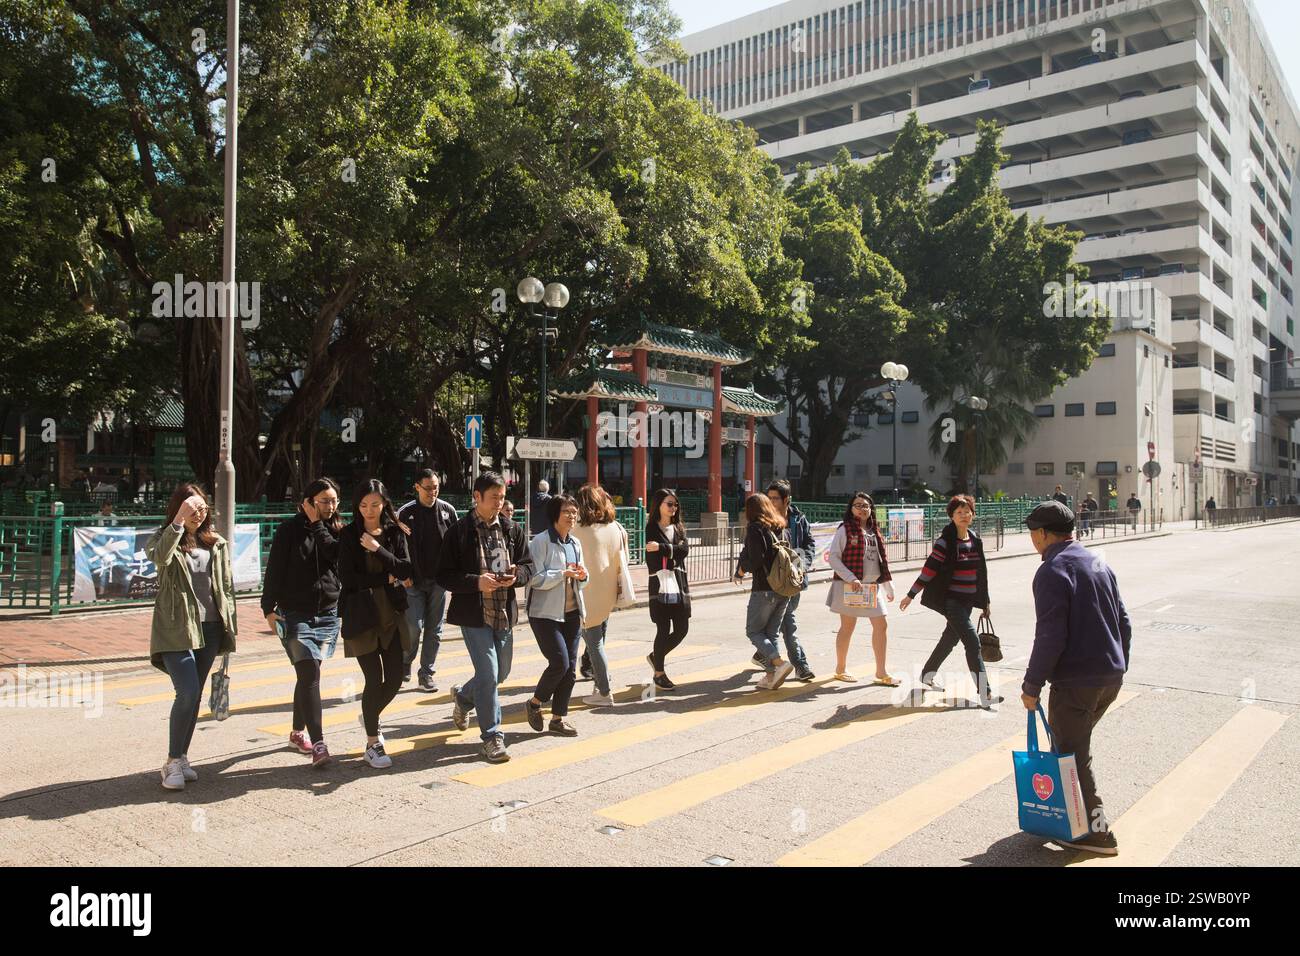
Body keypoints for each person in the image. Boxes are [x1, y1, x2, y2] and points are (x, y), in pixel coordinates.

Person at [1021, 501, 1131, 855]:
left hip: (1076, 682)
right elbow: (1124, 621)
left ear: (1041, 534)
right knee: (1071, 749)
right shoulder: (1098, 562)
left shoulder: (1051, 570)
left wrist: (1031, 685)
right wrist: (1117, 663)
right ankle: (1073, 818)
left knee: (1071, 755)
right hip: (1109, 678)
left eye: (1032, 533)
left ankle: (1097, 833)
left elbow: (1051, 635)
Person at [437, 471, 534, 763]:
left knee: (499, 673)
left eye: (502, 497)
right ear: (476, 497)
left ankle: (464, 697)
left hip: (504, 611)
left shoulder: (512, 529)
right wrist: (475, 582)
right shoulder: (459, 531)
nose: (499, 503)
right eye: (494, 498)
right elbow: (443, 575)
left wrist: (517, 576)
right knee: (489, 674)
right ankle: (492, 737)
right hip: (474, 615)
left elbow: (529, 566)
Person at [147, 483, 238, 791]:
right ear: (178, 510)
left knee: (196, 694)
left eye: (201, 509)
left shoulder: (216, 543)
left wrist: (230, 626)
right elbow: (159, 558)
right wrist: (177, 523)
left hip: (211, 627)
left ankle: (183, 756)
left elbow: (225, 587)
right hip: (176, 627)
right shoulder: (164, 538)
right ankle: (171, 761)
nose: (197, 515)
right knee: (185, 691)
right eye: (189, 509)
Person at [262, 477, 343, 768]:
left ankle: (297, 733)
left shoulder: (335, 529)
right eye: (324, 501)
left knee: (308, 674)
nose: (331, 506)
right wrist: (267, 609)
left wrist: (320, 525)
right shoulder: (288, 531)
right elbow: (274, 571)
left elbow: (337, 558)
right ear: (307, 503)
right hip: (295, 613)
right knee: (310, 674)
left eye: (334, 501)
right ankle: (319, 743)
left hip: (328, 614)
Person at [899, 495, 1003, 709]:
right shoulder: (945, 541)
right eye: (959, 512)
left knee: (949, 639)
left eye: (967, 512)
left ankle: (927, 675)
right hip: (951, 601)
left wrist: (985, 602)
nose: (964, 515)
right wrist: (911, 594)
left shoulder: (974, 539)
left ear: (973, 514)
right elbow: (929, 570)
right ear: (952, 516)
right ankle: (985, 694)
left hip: (967, 601)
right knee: (972, 643)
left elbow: (981, 574)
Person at [339, 479, 415, 770]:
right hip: (362, 616)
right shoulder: (349, 534)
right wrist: (386, 577)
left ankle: (370, 714)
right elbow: (349, 578)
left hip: (391, 615)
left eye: (374, 504)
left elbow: (407, 569)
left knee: (395, 679)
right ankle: (373, 743)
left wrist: (377, 549)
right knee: (373, 679)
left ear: (384, 503)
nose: (369, 511)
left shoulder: (396, 532)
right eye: (363, 505)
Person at [523, 494, 588, 735]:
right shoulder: (540, 542)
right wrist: (563, 574)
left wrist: (582, 575)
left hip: (572, 613)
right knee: (559, 663)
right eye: (567, 512)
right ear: (555, 515)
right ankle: (535, 703)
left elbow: (581, 576)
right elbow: (535, 579)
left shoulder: (575, 543)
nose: (572, 516)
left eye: (574, 511)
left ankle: (558, 718)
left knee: (570, 669)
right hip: (544, 614)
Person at [825, 491, 897, 685]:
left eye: (866, 505)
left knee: (881, 625)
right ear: (851, 509)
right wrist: (850, 578)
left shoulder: (875, 531)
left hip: (872, 587)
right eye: (858, 505)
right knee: (848, 627)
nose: (862, 508)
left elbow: (881, 562)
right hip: (850, 586)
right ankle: (840, 669)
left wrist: (888, 587)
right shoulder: (845, 529)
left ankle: (881, 672)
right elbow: (833, 557)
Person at [397, 469, 458, 691]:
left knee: (435, 629)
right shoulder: (405, 512)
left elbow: (456, 545)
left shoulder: (448, 511)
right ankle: (405, 661)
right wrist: (402, 575)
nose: (432, 492)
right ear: (417, 487)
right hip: (412, 582)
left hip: (439, 582)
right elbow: (396, 545)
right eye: (428, 488)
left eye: (436, 487)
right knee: (413, 626)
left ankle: (426, 673)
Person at [733, 493, 795, 690]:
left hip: (764, 589)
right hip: (783, 589)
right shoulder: (780, 527)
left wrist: (742, 570)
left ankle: (779, 664)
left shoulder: (755, 528)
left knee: (753, 631)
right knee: (771, 633)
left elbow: (756, 560)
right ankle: (770, 676)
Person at [572, 484, 626, 707]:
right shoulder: (615, 528)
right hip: (608, 593)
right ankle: (601, 681)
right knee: (599, 640)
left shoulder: (577, 530)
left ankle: (604, 691)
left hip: (586, 594)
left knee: (594, 644)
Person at [757, 480, 815, 681]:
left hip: (795, 578)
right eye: (769, 498)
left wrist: (803, 563)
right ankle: (800, 665)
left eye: (775, 498)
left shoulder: (799, 519)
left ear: (786, 499)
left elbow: (809, 543)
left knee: (778, 623)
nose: (771, 502)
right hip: (773, 582)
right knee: (788, 624)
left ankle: (763, 652)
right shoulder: (764, 520)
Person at [644, 487, 691, 690]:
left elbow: (684, 550)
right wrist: (672, 554)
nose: (673, 507)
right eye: (669, 504)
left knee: (682, 629)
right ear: (659, 506)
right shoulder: (651, 528)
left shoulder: (678, 527)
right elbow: (652, 558)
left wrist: (664, 550)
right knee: (663, 629)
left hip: (679, 583)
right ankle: (659, 673)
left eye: (675, 504)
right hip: (660, 584)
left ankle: (656, 655)